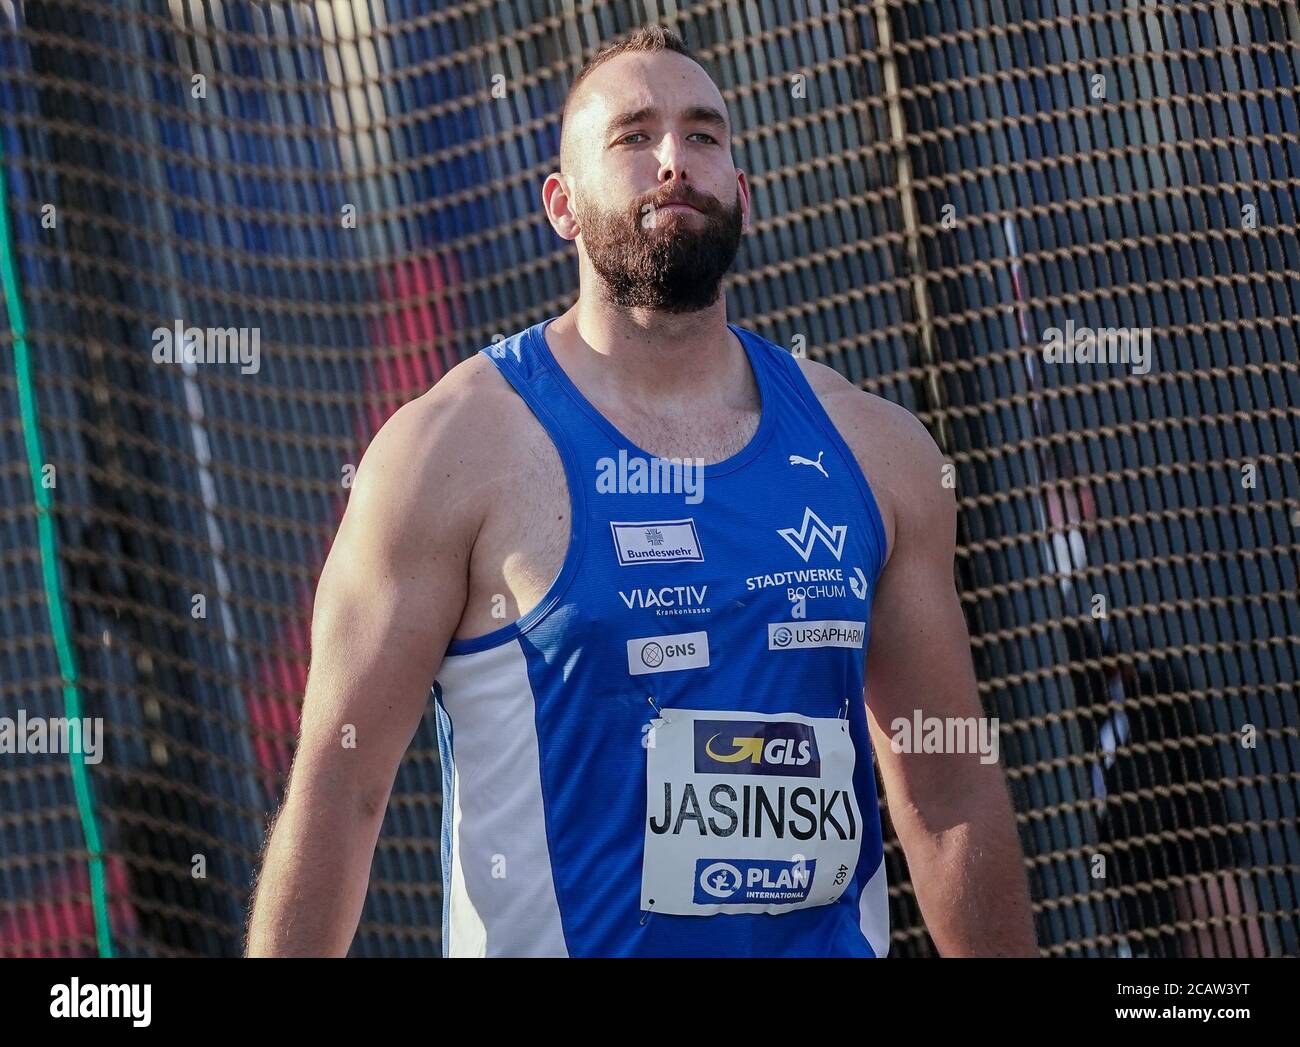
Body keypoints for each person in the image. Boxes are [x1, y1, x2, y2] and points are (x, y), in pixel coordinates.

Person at [246, 24, 1036, 957]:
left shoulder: (878, 450)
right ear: (562, 204)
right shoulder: (449, 451)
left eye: (704, 135)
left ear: (743, 189)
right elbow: (342, 793)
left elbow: (947, 789)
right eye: (632, 137)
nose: (674, 160)